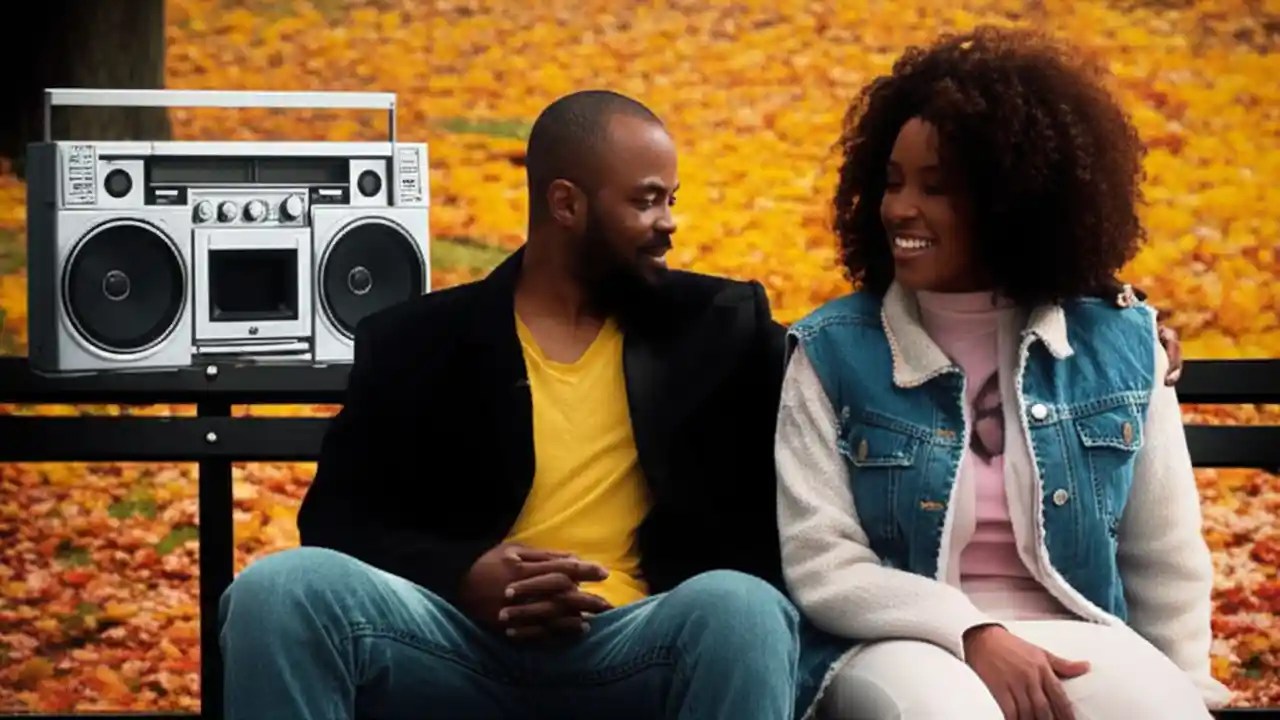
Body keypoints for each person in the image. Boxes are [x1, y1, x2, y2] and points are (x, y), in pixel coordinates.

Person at [217, 89, 834, 720]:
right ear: (566, 203)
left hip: (639, 645)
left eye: (670, 201)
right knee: (279, 590)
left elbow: (838, 387)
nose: (669, 222)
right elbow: (336, 525)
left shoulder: (718, 327)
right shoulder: (418, 341)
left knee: (744, 609)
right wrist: (464, 576)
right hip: (453, 647)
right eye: (646, 200)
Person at [776, 26, 1230, 720]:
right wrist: (971, 630)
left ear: (1013, 199)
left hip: (1081, 635)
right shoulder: (833, 352)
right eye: (892, 183)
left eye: (937, 188)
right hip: (897, 644)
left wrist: (1186, 691)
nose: (900, 209)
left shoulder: (1118, 342)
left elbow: (1163, 554)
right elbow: (822, 562)